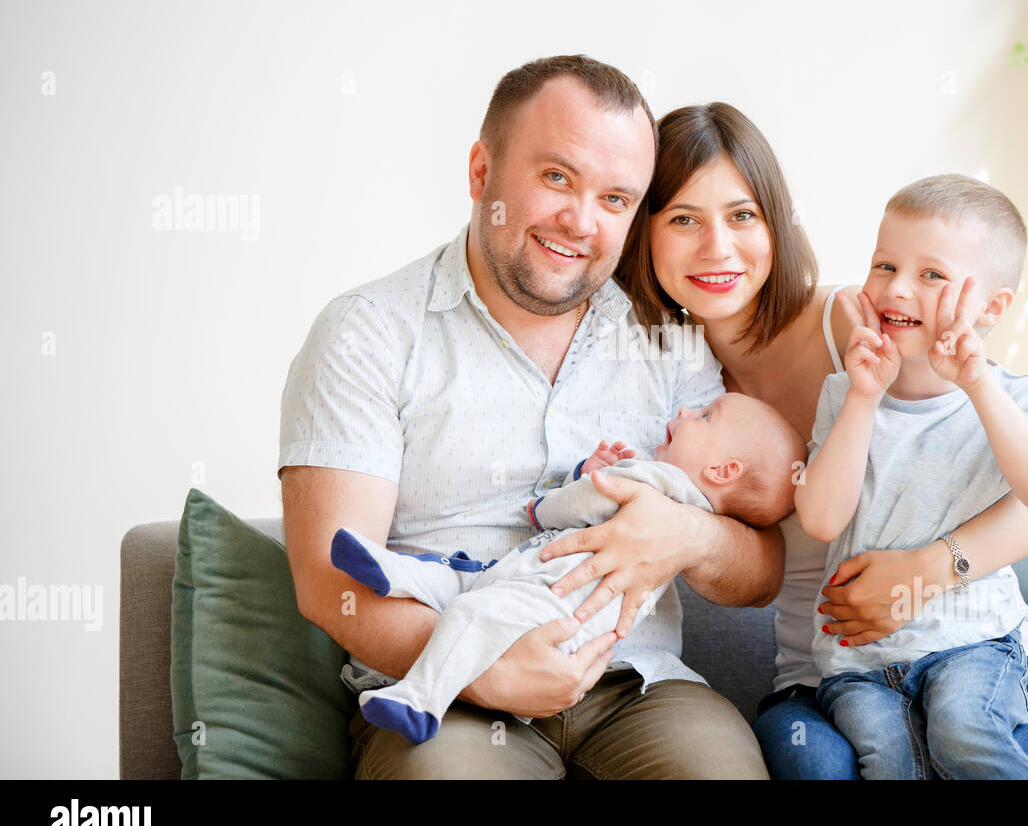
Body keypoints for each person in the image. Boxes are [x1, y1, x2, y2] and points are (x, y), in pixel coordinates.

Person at [278, 57, 782, 779]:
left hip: (636, 688)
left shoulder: (667, 336)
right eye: (556, 178)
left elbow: (762, 568)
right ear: (482, 171)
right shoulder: (370, 332)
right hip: (447, 683)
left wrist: (693, 535)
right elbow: (333, 581)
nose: (581, 221)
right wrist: (484, 668)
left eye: (615, 199)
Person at [607, 102, 1028, 779]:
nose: (718, 248)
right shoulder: (660, 389)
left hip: (976, 659)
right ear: (645, 234)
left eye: (742, 215)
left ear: (776, 225)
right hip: (830, 684)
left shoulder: (861, 329)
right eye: (682, 219)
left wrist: (931, 569)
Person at [329, 391, 805, 744]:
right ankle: (393, 571)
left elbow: (576, 502)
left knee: (468, 606)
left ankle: (420, 698)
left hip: (549, 599)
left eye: (702, 416)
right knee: (466, 583)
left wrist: (560, 494)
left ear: (722, 471)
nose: (683, 412)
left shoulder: (657, 479)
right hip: (566, 613)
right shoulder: (682, 501)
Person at [798, 174, 1028, 778]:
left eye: (932, 275)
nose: (897, 288)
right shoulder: (845, 392)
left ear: (992, 308)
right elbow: (820, 518)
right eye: (885, 264)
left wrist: (977, 381)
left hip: (972, 645)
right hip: (859, 666)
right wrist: (864, 399)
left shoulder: (1012, 397)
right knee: (889, 762)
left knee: (963, 733)